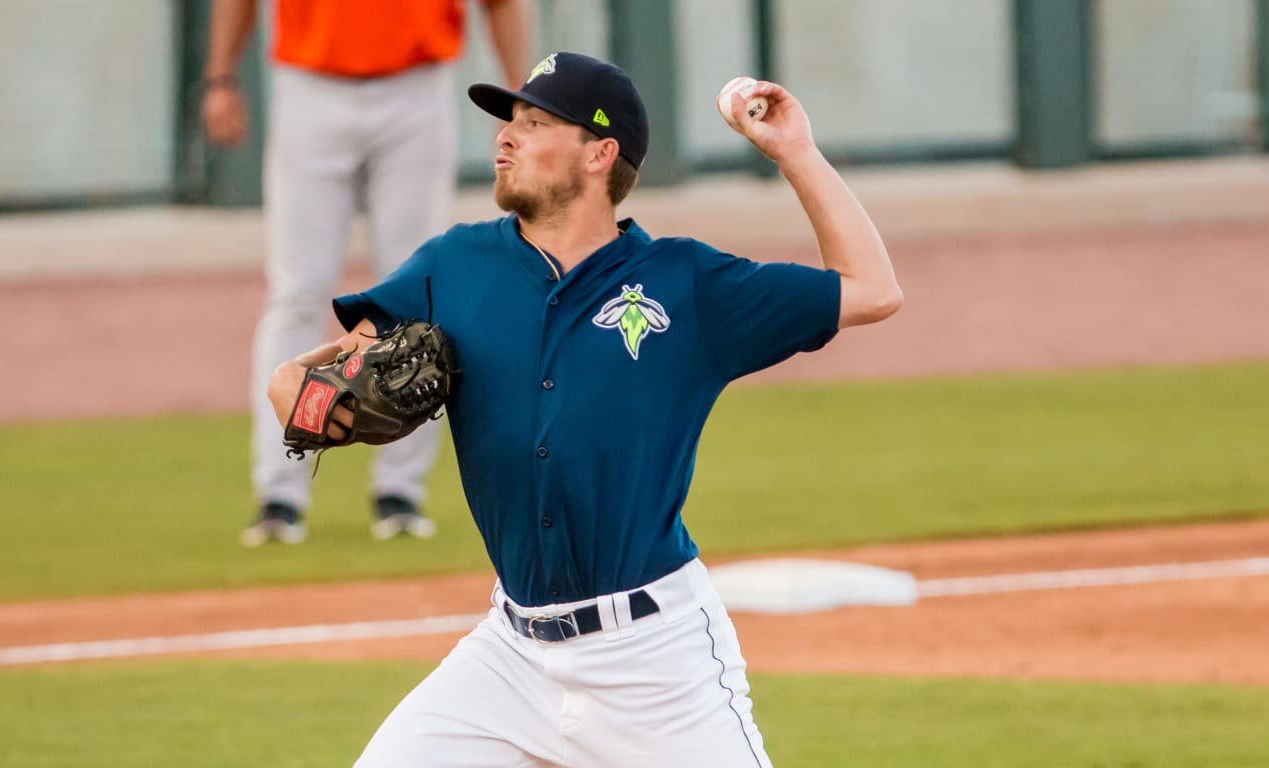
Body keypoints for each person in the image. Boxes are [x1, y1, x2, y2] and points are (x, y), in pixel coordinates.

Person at [268, 52, 902, 766]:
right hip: (510, 661)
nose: (506, 136)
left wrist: (796, 153)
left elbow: (873, 289)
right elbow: (334, 368)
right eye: (508, 120)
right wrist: (298, 388)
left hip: (655, 666)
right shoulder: (453, 264)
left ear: (600, 154)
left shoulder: (688, 284)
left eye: (535, 123)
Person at [202, 0, 530, 545]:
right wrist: (220, 78)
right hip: (309, 82)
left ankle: (400, 490)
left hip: (417, 85)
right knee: (298, 290)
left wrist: (520, 98)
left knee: (418, 294)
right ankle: (280, 491)